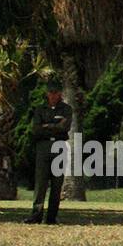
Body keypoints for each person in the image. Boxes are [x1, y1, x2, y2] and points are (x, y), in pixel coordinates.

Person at [27, 83, 73, 225]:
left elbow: (64, 127)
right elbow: (36, 129)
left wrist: (47, 125)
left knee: (56, 183)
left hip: (59, 146)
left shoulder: (66, 109)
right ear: (47, 93)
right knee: (40, 182)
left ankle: (52, 217)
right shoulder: (40, 109)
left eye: (55, 92)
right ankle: (36, 215)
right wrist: (54, 126)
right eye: (50, 92)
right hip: (43, 146)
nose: (53, 95)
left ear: (59, 94)